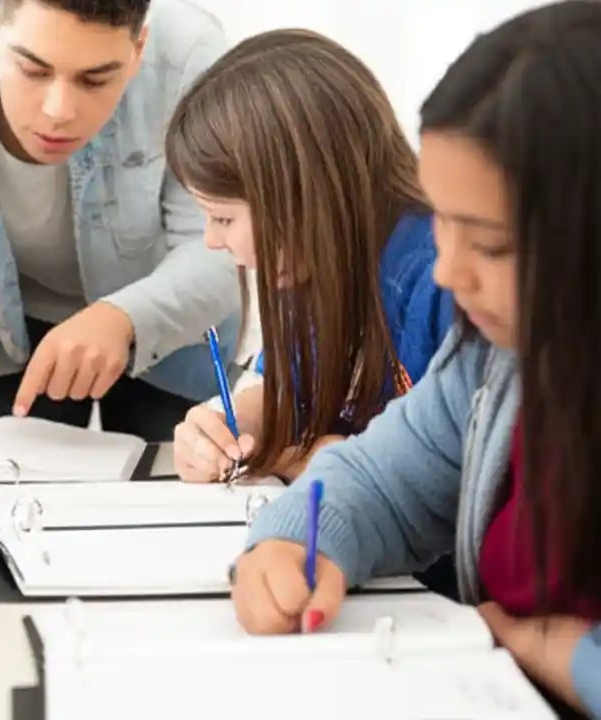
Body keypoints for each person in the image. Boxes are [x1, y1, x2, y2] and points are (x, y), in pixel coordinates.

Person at [231, 3, 601, 715]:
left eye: (489, 244)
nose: (445, 272)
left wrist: (552, 650)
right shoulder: (496, 354)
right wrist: (292, 543)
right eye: (443, 224)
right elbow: (381, 480)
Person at [0, 0, 240, 441]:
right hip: (9, 343)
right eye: (33, 70)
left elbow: (222, 249)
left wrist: (121, 318)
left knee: (188, 490)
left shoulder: (192, 62)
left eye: (95, 78)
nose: (59, 110)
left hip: (175, 332)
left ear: (140, 48)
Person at [165, 30, 452, 484]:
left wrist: (302, 458)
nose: (212, 241)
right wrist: (232, 421)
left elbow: (466, 478)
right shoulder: (317, 267)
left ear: (301, 199)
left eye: (222, 218)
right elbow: (292, 390)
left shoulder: (447, 279)